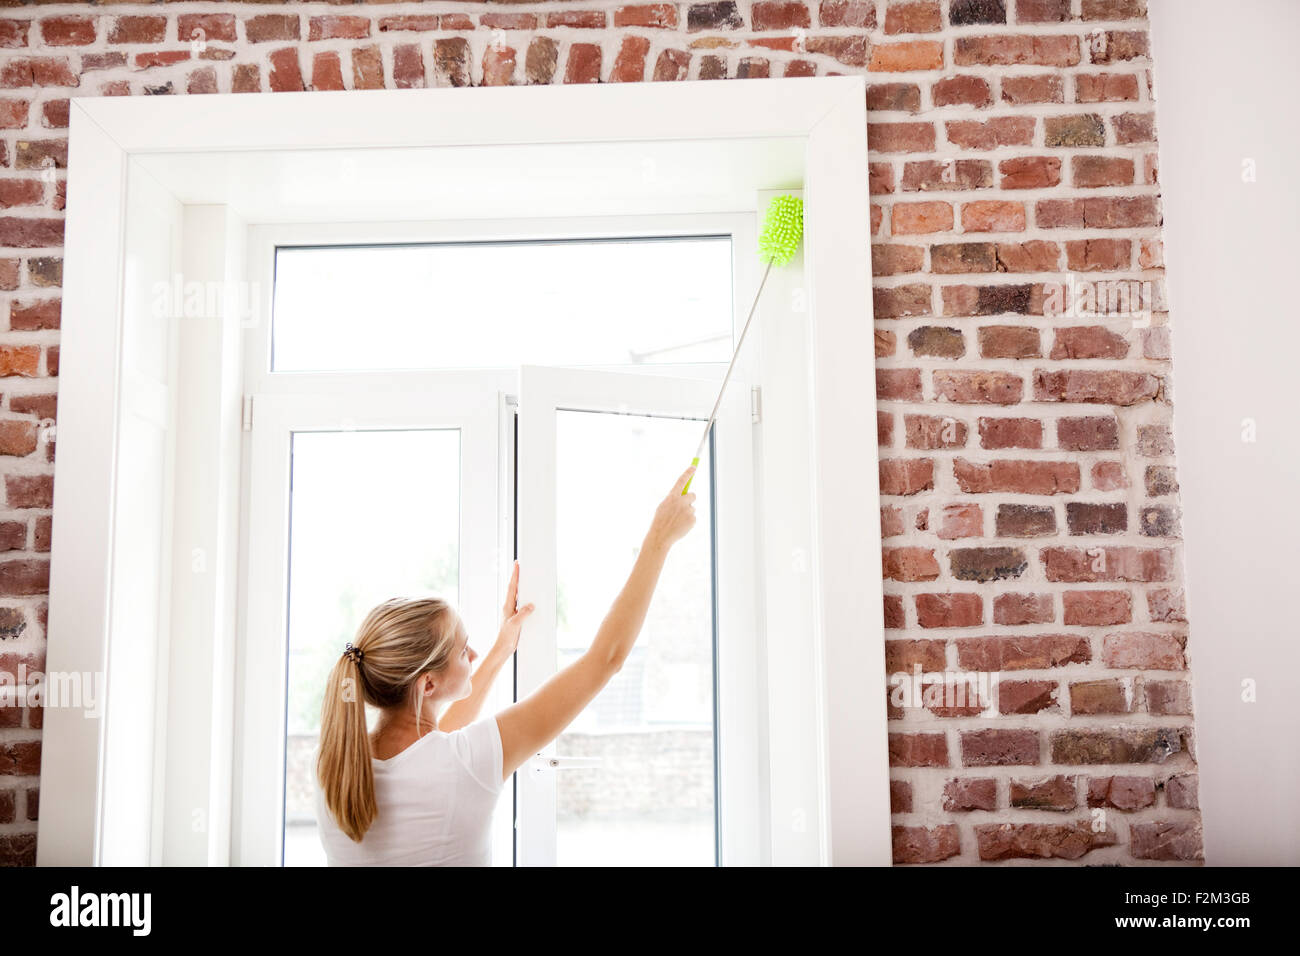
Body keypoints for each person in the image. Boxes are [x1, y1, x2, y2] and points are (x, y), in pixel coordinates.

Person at [314, 465, 698, 865]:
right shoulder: (466, 764)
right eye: (464, 650)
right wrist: (659, 539)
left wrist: (501, 649)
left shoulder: (333, 765)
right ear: (427, 685)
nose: (473, 655)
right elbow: (606, 659)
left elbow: (433, 746)